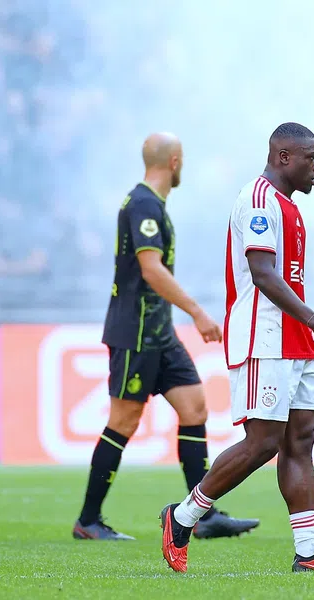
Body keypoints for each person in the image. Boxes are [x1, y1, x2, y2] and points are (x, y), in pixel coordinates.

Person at [160, 122, 314, 573]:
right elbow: (262, 274)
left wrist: (308, 327)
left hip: (294, 338)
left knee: (300, 440)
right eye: (311, 158)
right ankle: (183, 518)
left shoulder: (288, 206)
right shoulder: (257, 202)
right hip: (265, 338)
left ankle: (310, 551)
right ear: (283, 158)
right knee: (262, 443)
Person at [74, 132, 260, 541]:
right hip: (135, 332)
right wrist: (196, 312)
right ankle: (88, 521)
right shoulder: (143, 203)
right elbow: (151, 269)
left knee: (194, 407)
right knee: (124, 420)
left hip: (159, 331)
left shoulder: (151, 204)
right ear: (175, 161)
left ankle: (203, 514)